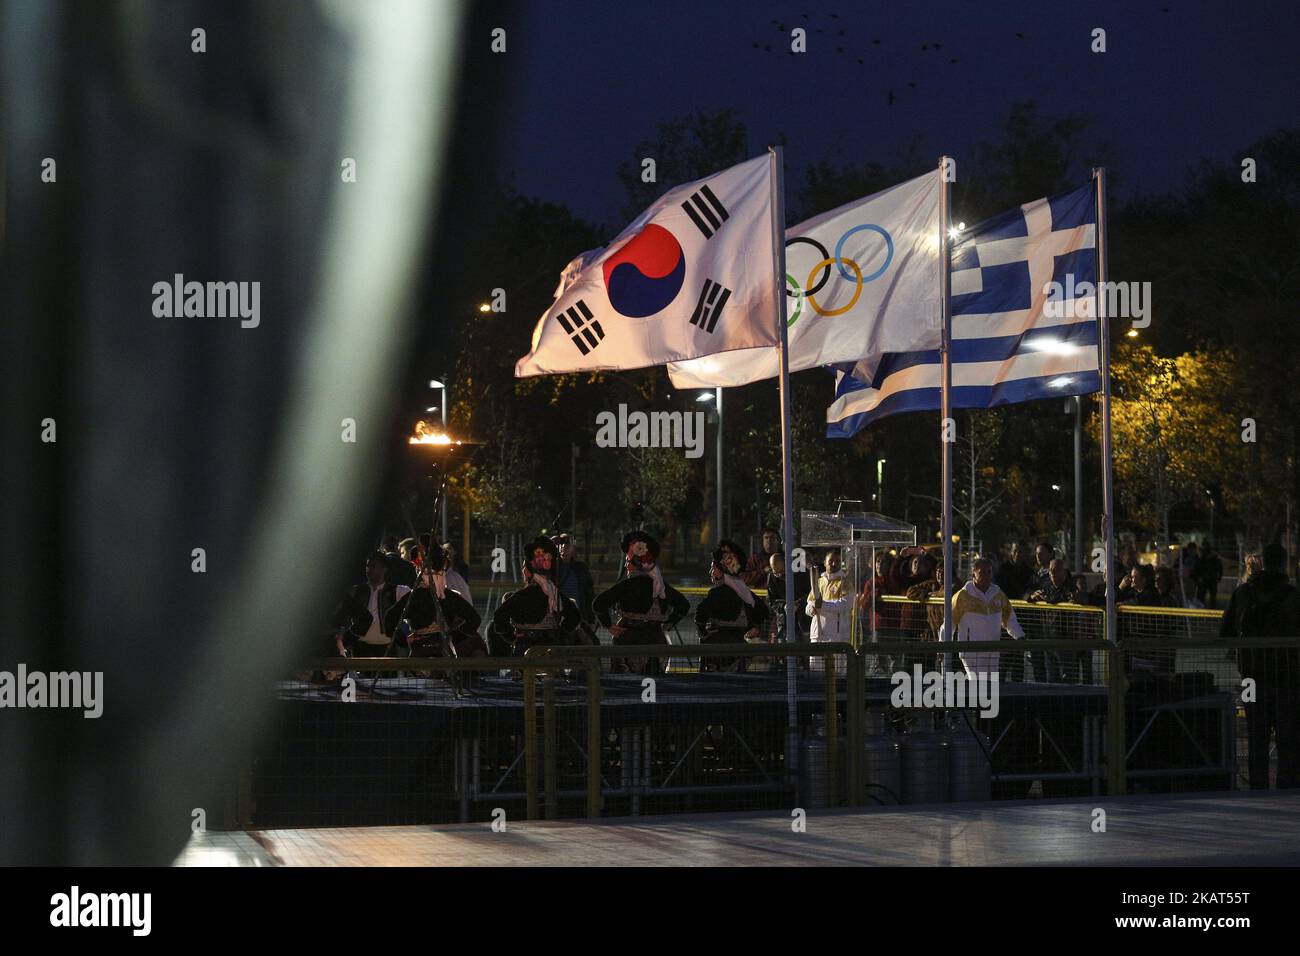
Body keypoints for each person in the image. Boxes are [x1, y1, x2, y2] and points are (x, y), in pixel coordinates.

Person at [1220, 543, 1300, 790]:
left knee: (1256, 735)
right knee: (1287, 739)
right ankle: (1287, 787)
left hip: (1251, 677)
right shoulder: (1293, 596)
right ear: (1284, 563)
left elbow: (1225, 633)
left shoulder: (1243, 594)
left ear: (1262, 562)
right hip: (1287, 678)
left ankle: (1258, 787)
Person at [592, 531, 689, 674]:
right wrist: (667, 624)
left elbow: (598, 604)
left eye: (628, 561)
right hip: (655, 640)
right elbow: (683, 605)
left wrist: (609, 626)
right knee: (653, 688)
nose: (626, 565)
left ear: (636, 563)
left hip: (627, 641)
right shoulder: (660, 586)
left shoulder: (626, 585)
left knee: (626, 688)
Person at [385, 549, 485, 659]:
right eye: (430, 574)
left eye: (438, 573)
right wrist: (404, 640)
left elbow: (474, 619)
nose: (435, 577)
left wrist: (453, 636)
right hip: (420, 650)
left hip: (445, 651)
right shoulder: (414, 597)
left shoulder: (449, 596)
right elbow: (390, 619)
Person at [490, 536, 581, 657]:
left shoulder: (521, 596)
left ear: (527, 571)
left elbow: (499, 617)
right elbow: (574, 616)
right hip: (552, 651)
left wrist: (511, 637)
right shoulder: (556, 595)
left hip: (524, 652)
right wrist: (561, 633)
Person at [694, 540, 769, 672]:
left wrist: (703, 632)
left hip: (716, 648)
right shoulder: (745, 593)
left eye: (713, 568)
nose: (711, 571)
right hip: (739, 648)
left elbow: (700, 614)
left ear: (722, 570)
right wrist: (753, 626)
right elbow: (763, 612)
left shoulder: (716, 593)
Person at [945, 556, 1023, 677]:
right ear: (973, 574)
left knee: (990, 687)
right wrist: (943, 643)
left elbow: (1009, 618)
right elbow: (950, 621)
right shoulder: (963, 596)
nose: (986, 575)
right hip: (971, 651)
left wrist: (1020, 636)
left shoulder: (998, 594)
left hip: (992, 650)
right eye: (982, 573)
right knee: (977, 684)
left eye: (989, 572)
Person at [331, 550, 412, 657]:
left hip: (387, 646)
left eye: (373, 566)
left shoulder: (397, 591)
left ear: (384, 569)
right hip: (361, 646)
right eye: (368, 566)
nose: (369, 570)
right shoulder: (356, 591)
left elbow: (413, 596)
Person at [1026, 558, 1081, 682]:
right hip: (1048, 637)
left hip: (1065, 639)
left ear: (1063, 572)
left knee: (1067, 676)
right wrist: (1033, 596)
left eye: (1056, 571)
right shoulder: (1047, 586)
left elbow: (1069, 598)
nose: (1053, 574)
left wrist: (1048, 600)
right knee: (1051, 676)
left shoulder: (1070, 587)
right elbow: (1029, 598)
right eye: (1051, 571)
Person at [807, 549, 852, 674]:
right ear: (825, 562)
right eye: (831, 560)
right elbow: (809, 604)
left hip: (835, 635)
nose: (834, 564)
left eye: (837, 561)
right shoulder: (819, 582)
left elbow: (846, 605)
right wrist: (811, 609)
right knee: (815, 672)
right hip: (817, 632)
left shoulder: (845, 582)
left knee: (834, 674)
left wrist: (823, 605)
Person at [553, 532, 596, 627]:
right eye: (561, 543)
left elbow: (589, 594)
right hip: (558, 616)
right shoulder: (553, 568)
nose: (564, 546)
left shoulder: (581, 568)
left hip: (578, 615)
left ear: (573, 548)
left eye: (567, 544)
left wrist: (591, 618)